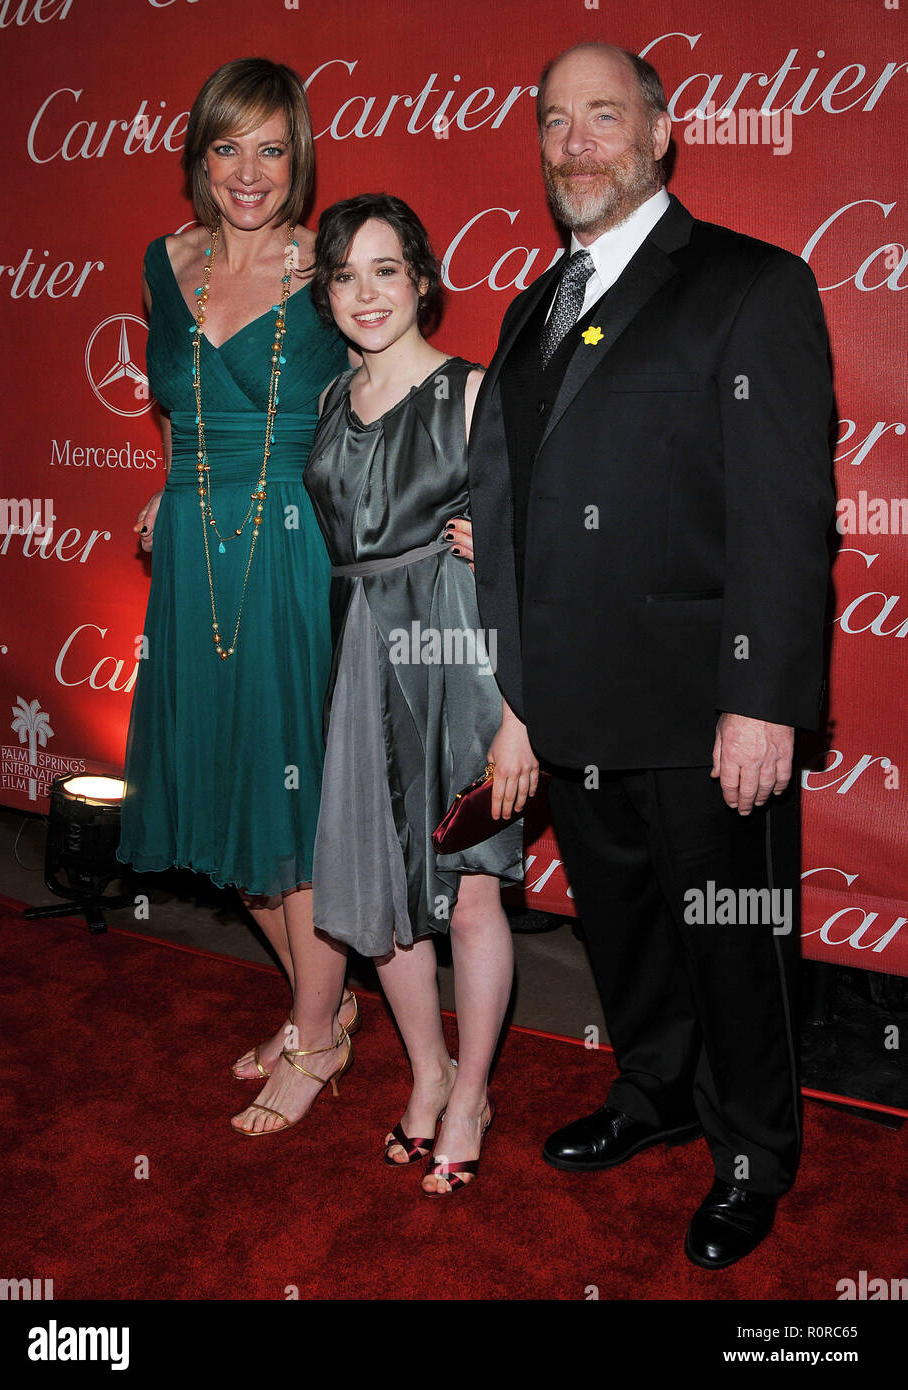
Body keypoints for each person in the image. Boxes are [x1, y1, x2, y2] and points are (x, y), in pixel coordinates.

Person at [467, 43, 835, 1264]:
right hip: (574, 703)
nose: (576, 142)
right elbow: (518, 501)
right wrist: (517, 690)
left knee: (733, 937)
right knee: (622, 928)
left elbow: (786, 515)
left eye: (604, 115)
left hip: (703, 704)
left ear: (663, 131)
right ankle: (657, 1093)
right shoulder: (535, 305)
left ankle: (751, 1153)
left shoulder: (750, 284)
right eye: (555, 120)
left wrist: (765, 700)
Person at [117, 58, 361, 1119]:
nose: (249, 172)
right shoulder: (164, 263)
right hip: (192, 559)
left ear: (298, 155)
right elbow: (175, 406)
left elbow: (392, 398)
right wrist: (169, 489)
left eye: (271, 148)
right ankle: (324, 1007)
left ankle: (316, 1035)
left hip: (294, 552)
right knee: (221, 791)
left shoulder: (332, 266)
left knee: (286, 794)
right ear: (199, 157)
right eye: (228, 148)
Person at [302, 193, 533, 1194]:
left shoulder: (473, 394)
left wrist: (522, 716)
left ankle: (473, 1092)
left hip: (457, 661)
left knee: (470, 888)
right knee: (375, 888)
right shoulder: (324, 402)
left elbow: (539, 553)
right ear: (326, 293)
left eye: (386, 269)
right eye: (346, 273)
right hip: (354, 658)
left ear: (424, 282)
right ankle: (427, 1070)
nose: (366, 292)